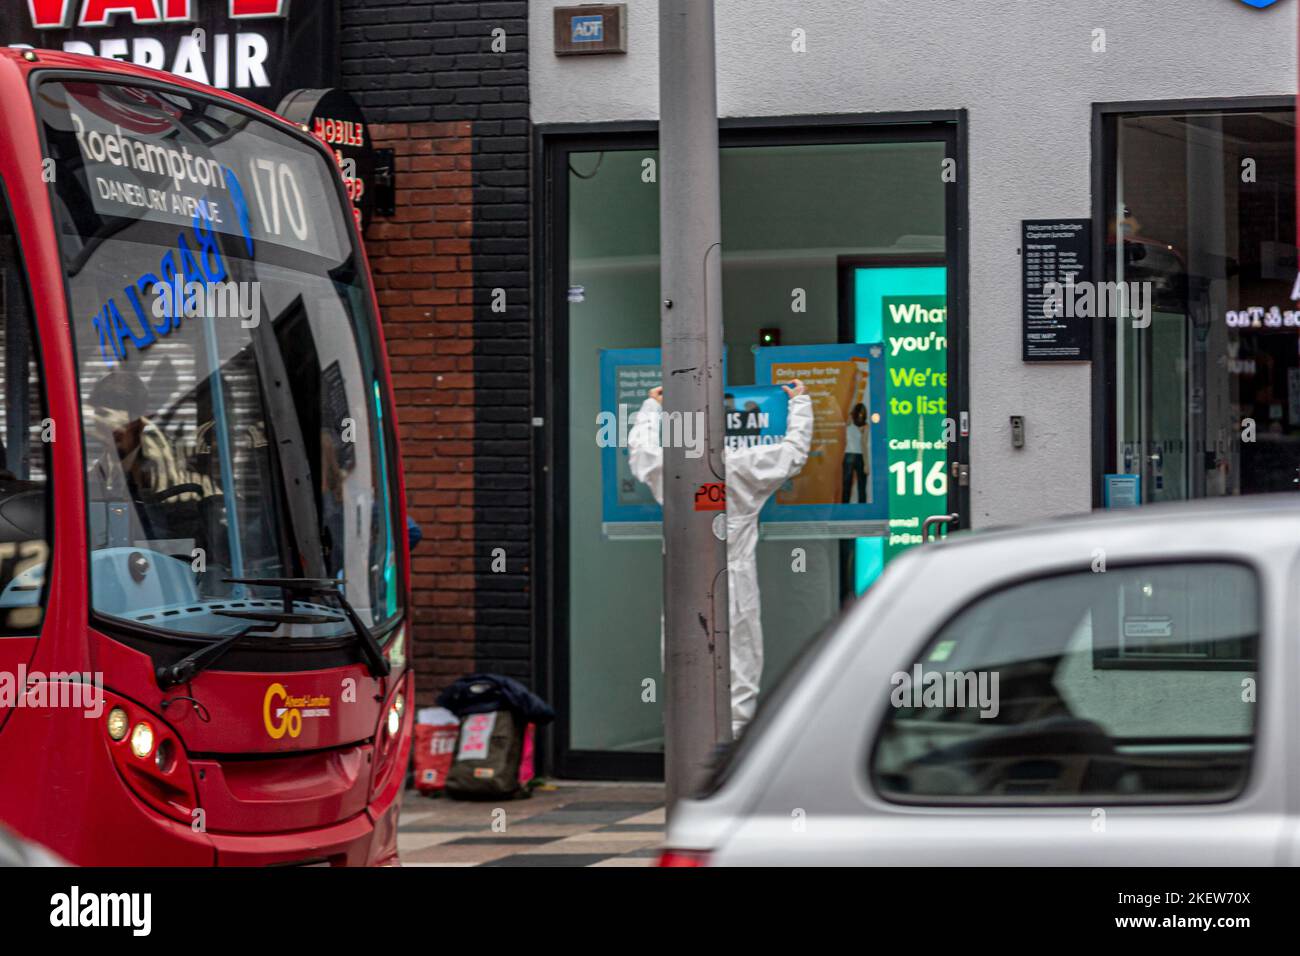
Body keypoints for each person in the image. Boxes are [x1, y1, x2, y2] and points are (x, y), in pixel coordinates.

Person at [627, 379, 813, 737]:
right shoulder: (743, 465)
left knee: (684, 659)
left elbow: (640, 449)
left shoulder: (670, 468)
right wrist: (801, 404)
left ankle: (684, 743)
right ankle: (732, 748)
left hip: (684, 579)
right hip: (735, 577)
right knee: (741, 661)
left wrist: (652, 407)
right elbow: (793, 452)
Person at [842, 402, 869, 503]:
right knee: (862, 487)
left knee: (846, 487)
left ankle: (844, 511)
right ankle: (863, 512)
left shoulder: (849, 421)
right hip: (859, 456)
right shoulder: (865, 426)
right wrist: (866, 464)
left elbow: (849, 414)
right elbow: (864, 445)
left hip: (848, 455)